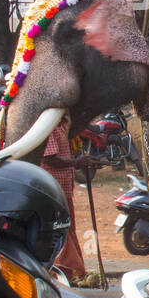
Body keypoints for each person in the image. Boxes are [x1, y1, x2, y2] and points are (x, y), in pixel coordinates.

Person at [40, 116, 89, 282]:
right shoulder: (50, 126)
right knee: (62, 229)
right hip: (54, 188)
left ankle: (74, 272)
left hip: (64, 188)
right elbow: (49, 158)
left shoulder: (62, 125)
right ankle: (67, 270)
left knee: (69, 227)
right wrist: (76, 162)